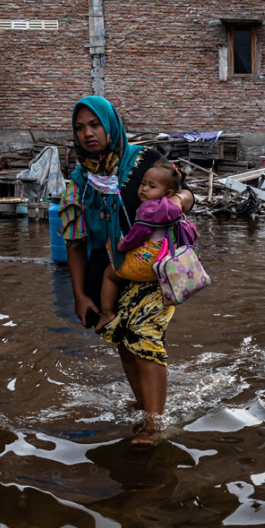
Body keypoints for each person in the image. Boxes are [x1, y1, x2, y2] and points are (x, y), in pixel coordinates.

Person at [58, 97, 195, 447]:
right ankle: (144, 408)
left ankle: (154, 424)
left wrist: (177, 203)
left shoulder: (144, 161)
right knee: (124, 343)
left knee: (147, 340)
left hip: (152, 271)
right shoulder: (79, 180)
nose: (88, 133)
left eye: (95, 124)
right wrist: (79, 295)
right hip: (108, 274)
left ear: (110, 124)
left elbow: (185, 191)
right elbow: (75, 242)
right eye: (80, 127)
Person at [96, 159, 198, 330]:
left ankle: (107, 313)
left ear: (168, 193)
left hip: (147, 261)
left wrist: (124, 245)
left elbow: (139, 232)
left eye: (152, 186)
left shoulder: (149, 208)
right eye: (143, 183)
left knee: (109, 274)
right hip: (163, 259)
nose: (144, 189)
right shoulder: (171, 207)